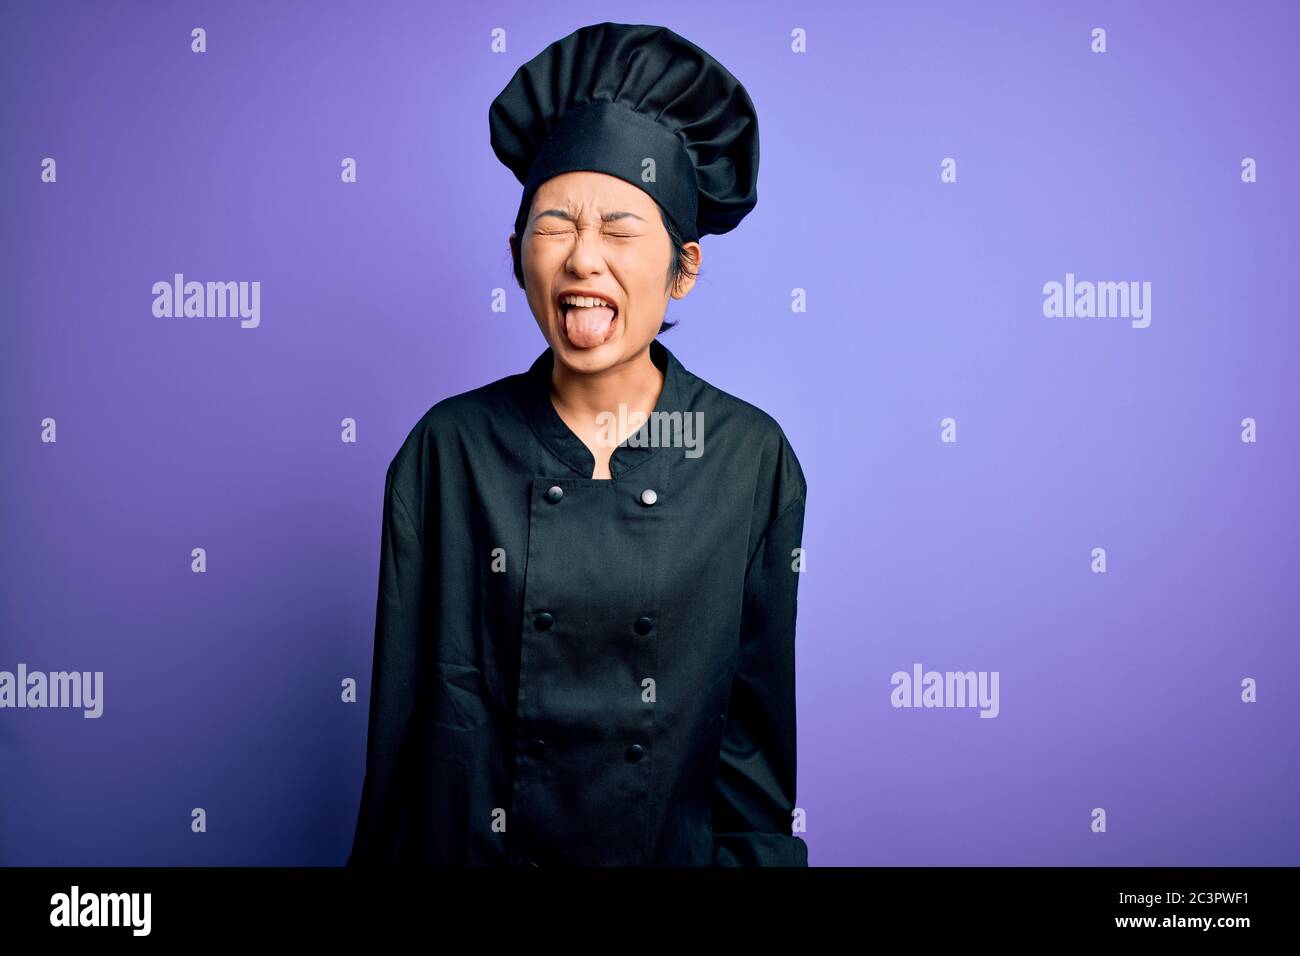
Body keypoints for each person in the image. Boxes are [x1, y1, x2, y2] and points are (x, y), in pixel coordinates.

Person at [347, 21, 808, 866]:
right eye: (554, 225)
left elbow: (754, 752)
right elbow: (401, 744)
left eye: (623, 229)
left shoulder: (749, 458)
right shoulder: (446, 451)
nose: (582, 259)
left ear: (684, 268)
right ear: (516, 253)